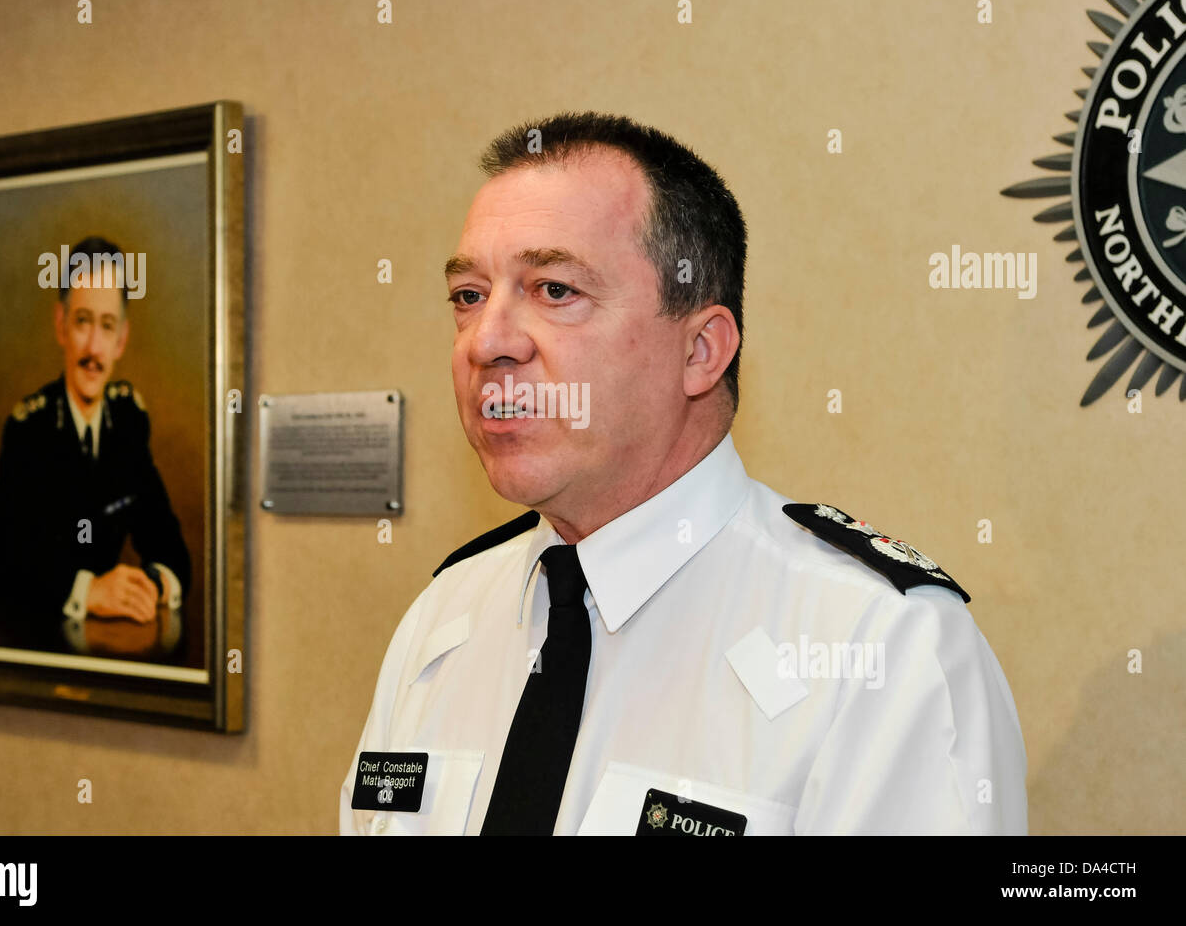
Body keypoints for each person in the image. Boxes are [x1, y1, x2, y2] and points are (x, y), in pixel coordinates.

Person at [339, 112, 1027, 835]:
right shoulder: (443, 620)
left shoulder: (882, 651)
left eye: (554, 289)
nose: (488, 341)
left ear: (701, 351)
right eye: (469, 296)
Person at [0, 236, 191, 653]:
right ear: (60, 325)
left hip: (114, 654)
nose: (93, 349)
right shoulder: (29, 429)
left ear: (122, 340)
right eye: (82, 322)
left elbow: (171, 548)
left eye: (106, 325)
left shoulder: (129, 423)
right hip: (40, 659)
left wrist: (150, 584)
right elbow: (6, 569)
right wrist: (90, 589)